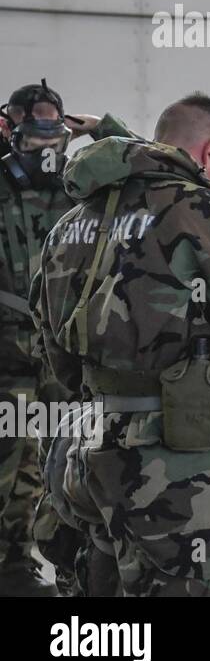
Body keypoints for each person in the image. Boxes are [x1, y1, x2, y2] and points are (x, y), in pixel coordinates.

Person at [31, 92, 210, 596]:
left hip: (89, 447)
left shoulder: (73, 220)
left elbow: (54, 348)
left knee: (101, 582)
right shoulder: (198, 209)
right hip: (176, 458)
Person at [0, 81, 129, 595]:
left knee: (71, 459)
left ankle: (68, 565)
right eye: (34, 142)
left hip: (66, 353)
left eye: (55, 141)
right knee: (10, 460)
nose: (45, 155)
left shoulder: (83, 185)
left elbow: (156, 169)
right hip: (7, 352)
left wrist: (106, 130)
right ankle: (10, 563)